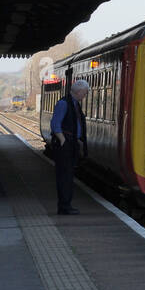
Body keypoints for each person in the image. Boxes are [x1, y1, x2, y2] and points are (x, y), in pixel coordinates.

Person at [50, 79, 89, 215]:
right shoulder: (63, 103)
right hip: (65, 145)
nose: (85, 96)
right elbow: (55, 124)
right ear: (79, 92)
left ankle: (66, 204)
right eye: (84, 93)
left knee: (68, 175)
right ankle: (64, 206)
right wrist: (63, 141)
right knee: (64, 176)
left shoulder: (74, 104)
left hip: (71, 144)